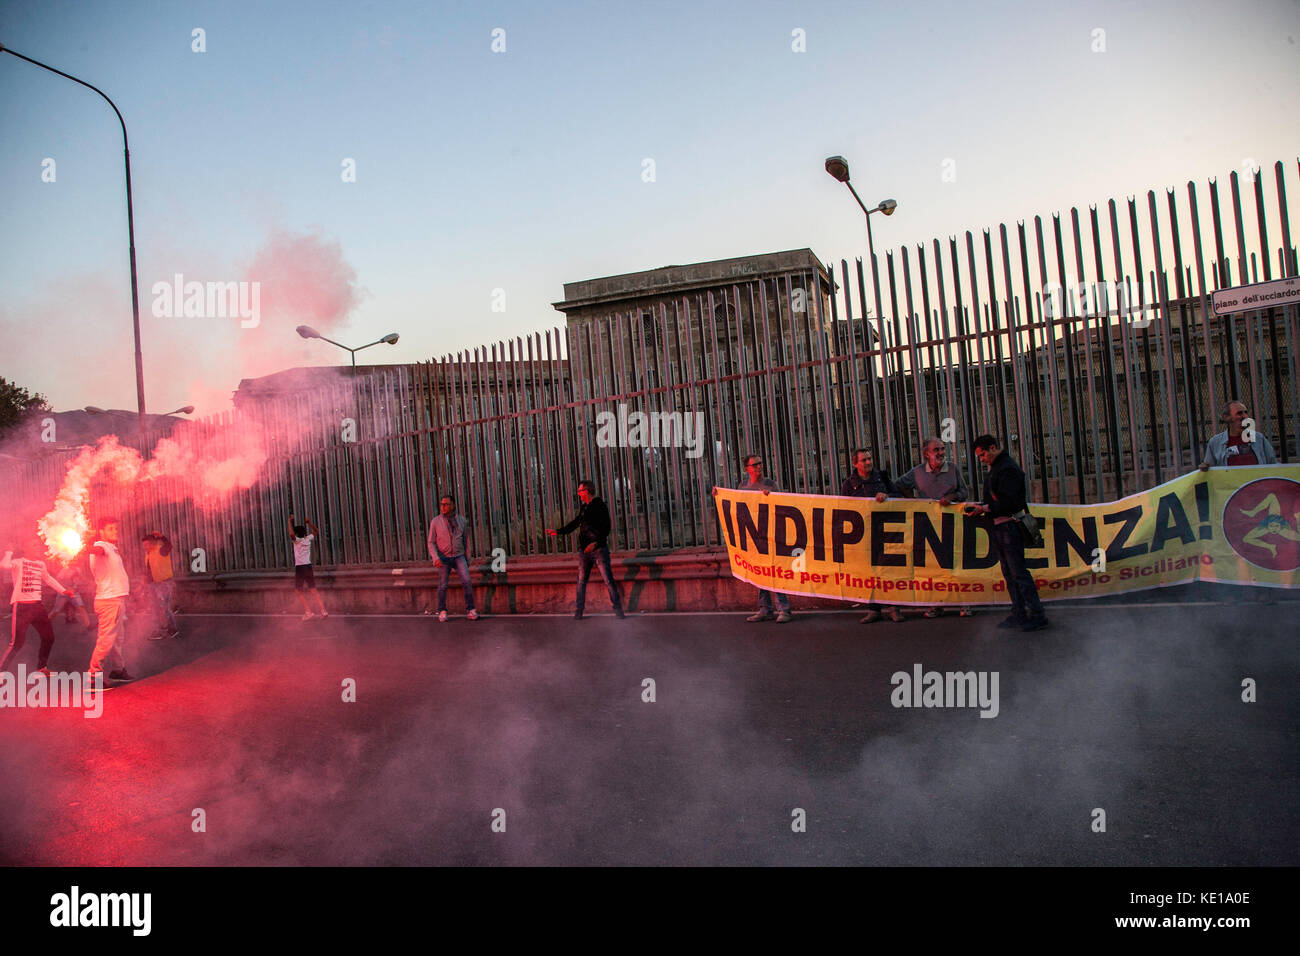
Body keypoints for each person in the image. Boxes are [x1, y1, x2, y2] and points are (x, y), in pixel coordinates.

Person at [965, 435, 1048, 632]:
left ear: (993, 447)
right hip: (1002, 527)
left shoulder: (1007, 469)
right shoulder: (1000, 467)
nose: (982, 459)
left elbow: (1009, 502)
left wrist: (984, 508)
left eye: (983, 454)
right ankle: (1020, 613)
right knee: (1011, 573)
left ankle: (1036, 614)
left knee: (1017, 572)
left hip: (1009, 527)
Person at [894, 438, 972, 619]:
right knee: (933, 568)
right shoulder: (917, 473)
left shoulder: (952, 469)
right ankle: (937, 605)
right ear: (926, 454)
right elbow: (899, 485)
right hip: (928, 527)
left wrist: (952, 496)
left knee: (956, 565)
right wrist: (913, 502)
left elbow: (964, 492)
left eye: (943, 449)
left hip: (952, 524)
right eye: (936, 450)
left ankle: (965, 604)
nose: (941, 453)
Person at [546, 480, 625, 620]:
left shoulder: (600, 506)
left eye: (580, 491)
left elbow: (606, 528)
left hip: (598, 550)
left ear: (587, 491)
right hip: (584, 552)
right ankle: (579, 610)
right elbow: (576, 523)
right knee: (581, 581)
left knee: (608, 580)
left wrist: (595, 543)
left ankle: (618, 609)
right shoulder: (584, 508)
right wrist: (557, 532)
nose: (578, 493)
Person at [1, 536, 76, 677]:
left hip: (37, 606)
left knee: (49, 637)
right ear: (25, 548)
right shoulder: (18, 562)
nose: (38, 548)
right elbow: (4, 566)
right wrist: (9, 552)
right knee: (17, 643)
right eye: (34, 545)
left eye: (38, 545)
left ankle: (41, 669)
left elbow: (48, 579)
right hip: (22, 607)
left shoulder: (41, 564)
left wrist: (63, 590)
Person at [840, 449, 899, 623]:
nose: (868, 462)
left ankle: (894, 607)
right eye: (864, 460)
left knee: (888, 570)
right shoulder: (849, 484)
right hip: (863, 534)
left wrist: (887, 496)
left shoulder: (882, 478)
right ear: (855, 464)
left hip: (885, 530)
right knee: (869, 573)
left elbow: (898, 496)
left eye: (870, 458)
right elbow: (843, 507)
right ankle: (874, 609)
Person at [740, 454, 793, 623]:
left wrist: (771, 496)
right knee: (759, 573)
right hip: (754, 536)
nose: (758, 467)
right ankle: (765, 609)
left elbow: (781, 505)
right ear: (747, 469)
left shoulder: (770, 484)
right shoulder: (742, 487)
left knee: (774, 572)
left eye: (760, 463)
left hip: (770, 534)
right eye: (754, 464)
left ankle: (784, 609)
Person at [85, 517, 136, 682]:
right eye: (110, 528)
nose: (115, 531)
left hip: (116, 599)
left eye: (115, 528)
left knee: (117, 638)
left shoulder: (111, 548)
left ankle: (118, 670)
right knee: (106, 639)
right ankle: (93, 677)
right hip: (109, 600)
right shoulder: (101, 546)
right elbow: (95, 550)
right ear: (101, 531)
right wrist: (85, 546)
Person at [427, 495, 478, 622]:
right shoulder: (435, 522)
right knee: (443, 585)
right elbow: (431, 542)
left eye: (446, 504)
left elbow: (465, 539)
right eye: (442, 504)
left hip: (459, 555)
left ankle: (471, 610)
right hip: (443, 557)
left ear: (453, 505)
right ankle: (442, 610)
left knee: (466, 581)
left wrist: (468, 557)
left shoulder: (461, 521)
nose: (443, 507)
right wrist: (435, 557)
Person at [1200, 400, 1278, 469]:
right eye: (1239, 413)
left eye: (1245, 412)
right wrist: (1205, 468)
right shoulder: (1215, 443)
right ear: (1227, 417)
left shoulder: (1259, 439)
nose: (1245, 416)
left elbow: (1273, 465)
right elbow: (1210, 470)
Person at [288, 513, 328, 621]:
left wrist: (289, 521)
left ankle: (308, 611)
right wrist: (309, 522)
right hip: (308, 566)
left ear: (297, 533)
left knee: (298, 591)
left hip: (300, 568)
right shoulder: (307, 539)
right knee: (313, 589)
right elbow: (316, 532)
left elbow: (291, 534)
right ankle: (323, 611)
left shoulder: (296, 541)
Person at [141, 531, 180, 640]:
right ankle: (158, 631)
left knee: (164, 608)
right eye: (143, 545)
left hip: (164, 583)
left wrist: (162, 537)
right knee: (154, 608)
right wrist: (145, 581)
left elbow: (169, 545)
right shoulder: (148, 554)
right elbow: (149, 569)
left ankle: (172, 629)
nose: (144, 547)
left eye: (146, 544)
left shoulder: (161, 550)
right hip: (153, 584)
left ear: (153, 543)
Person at [51, 559, 92, 630]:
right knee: (56, 611)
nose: (74, 562)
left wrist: (88, 581)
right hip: (63, 593)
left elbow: (81, 578)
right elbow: (58, 580)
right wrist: (67, 588)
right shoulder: (64, 570)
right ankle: (45, 623)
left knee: (81, 607)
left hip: (74, 592)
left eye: (75, 561)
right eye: (73, 561)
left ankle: (88, 626)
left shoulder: (78, 569)